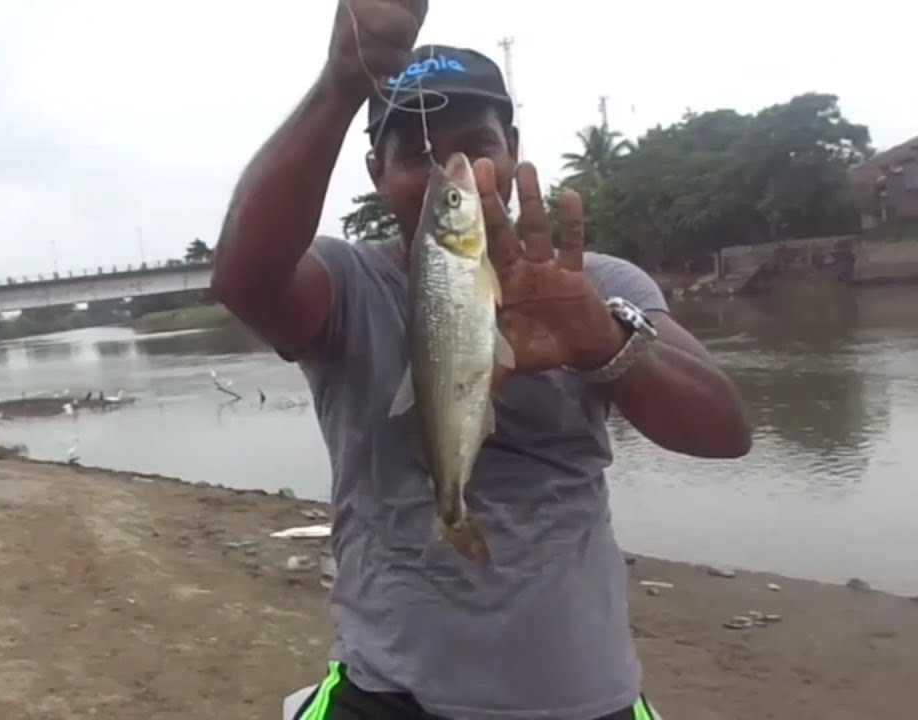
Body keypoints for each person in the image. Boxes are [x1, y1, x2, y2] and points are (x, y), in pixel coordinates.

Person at [211, 2, 752, 719]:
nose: (450, 172)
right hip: (388, 693)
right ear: (377, 172)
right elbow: (242, 280)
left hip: (590, 698)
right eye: (417, 156)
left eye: (474, 146)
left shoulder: (600, 286)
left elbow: (727, 432)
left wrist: (604, 343)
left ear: (515, 143)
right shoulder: (346, 287)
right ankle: (451, 505)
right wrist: (341, 85)